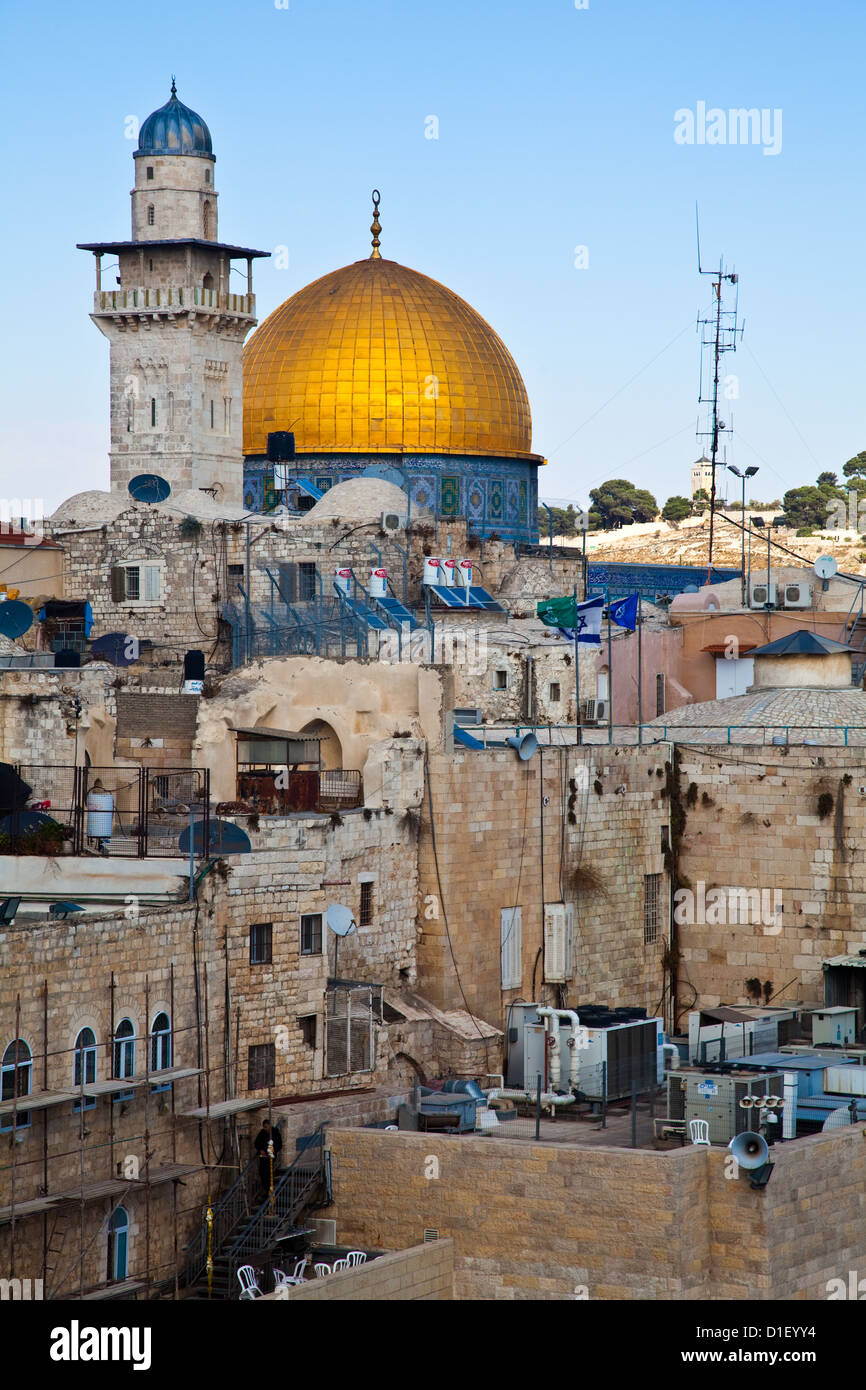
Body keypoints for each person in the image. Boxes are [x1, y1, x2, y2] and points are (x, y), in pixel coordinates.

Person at [254, 1119, 282, 1197]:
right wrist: (261, 1150)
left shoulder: (275, 1132)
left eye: (266, 1127)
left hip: (271, 1156)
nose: (265, 1129)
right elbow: (256, 1143)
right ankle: (267, 1189)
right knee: (262, 1172)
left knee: (268, 1173)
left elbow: (279, 1145)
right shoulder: (262, 1133)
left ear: (269, 1125)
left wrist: (272, 1151)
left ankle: (270, 1191)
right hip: (263, 1157)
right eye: (264, 1127)